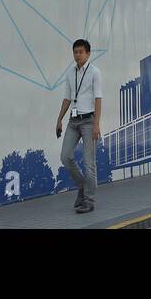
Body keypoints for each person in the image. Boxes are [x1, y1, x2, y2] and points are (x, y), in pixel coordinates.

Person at [56, 39, 102, 213]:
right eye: (75, 52)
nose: (77, 55)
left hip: (89, 121)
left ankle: (89, 201)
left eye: (81, 52)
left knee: (89, 163)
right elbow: (67, 98)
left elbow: (98, 99)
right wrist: (59, 119)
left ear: (88, 54)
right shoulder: (70, 73)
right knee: (65, 157)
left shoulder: (95, 72)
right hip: (73, 122)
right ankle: (82, 186)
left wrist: (97, 124)